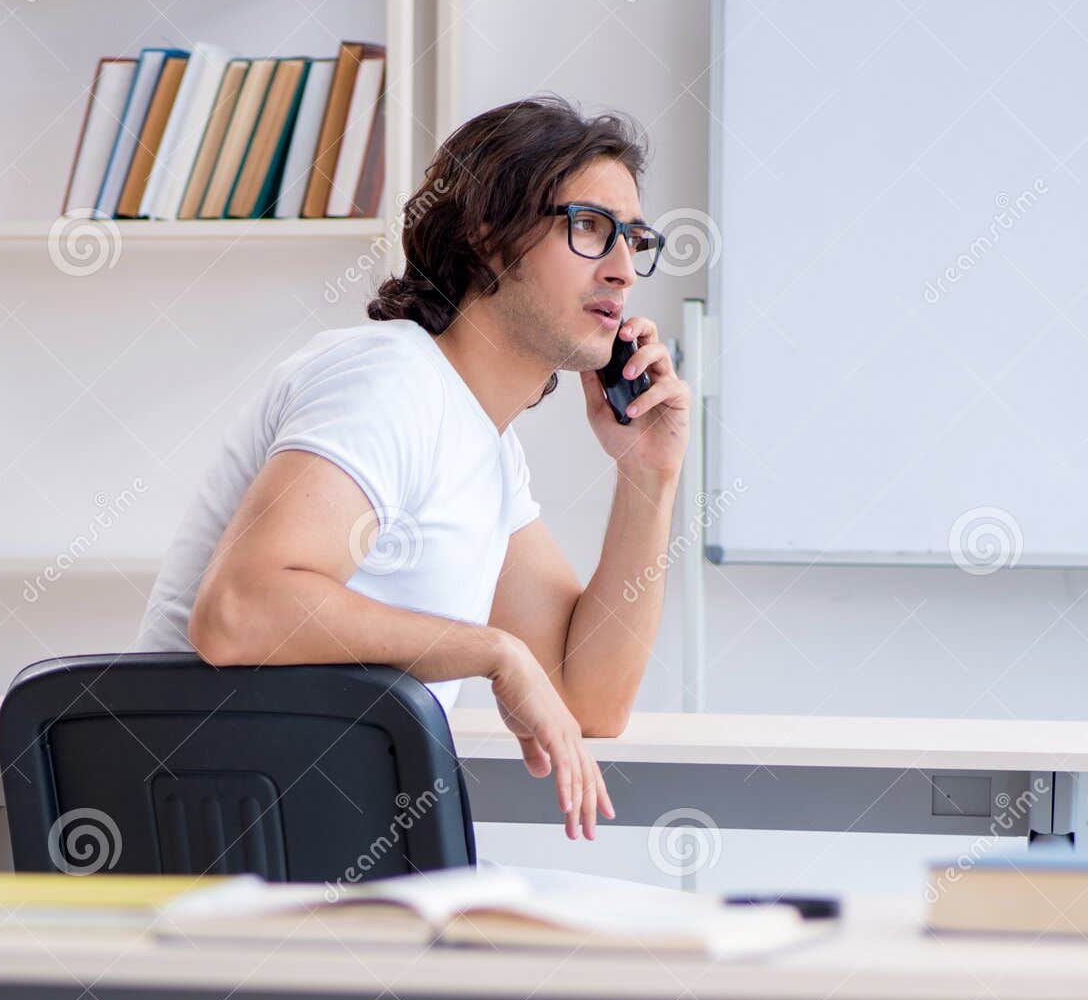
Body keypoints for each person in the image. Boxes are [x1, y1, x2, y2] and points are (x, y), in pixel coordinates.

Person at [131, 94, 690, 840]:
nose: (624, 270)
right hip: (201, 841)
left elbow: (589, 699)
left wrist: (648, 475)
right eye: (590, 228)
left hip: (299, 841)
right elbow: (238, 613)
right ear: (490, 236)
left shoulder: (484, 446)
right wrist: (493, 652)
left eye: (635, 239)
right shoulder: (389, 382)